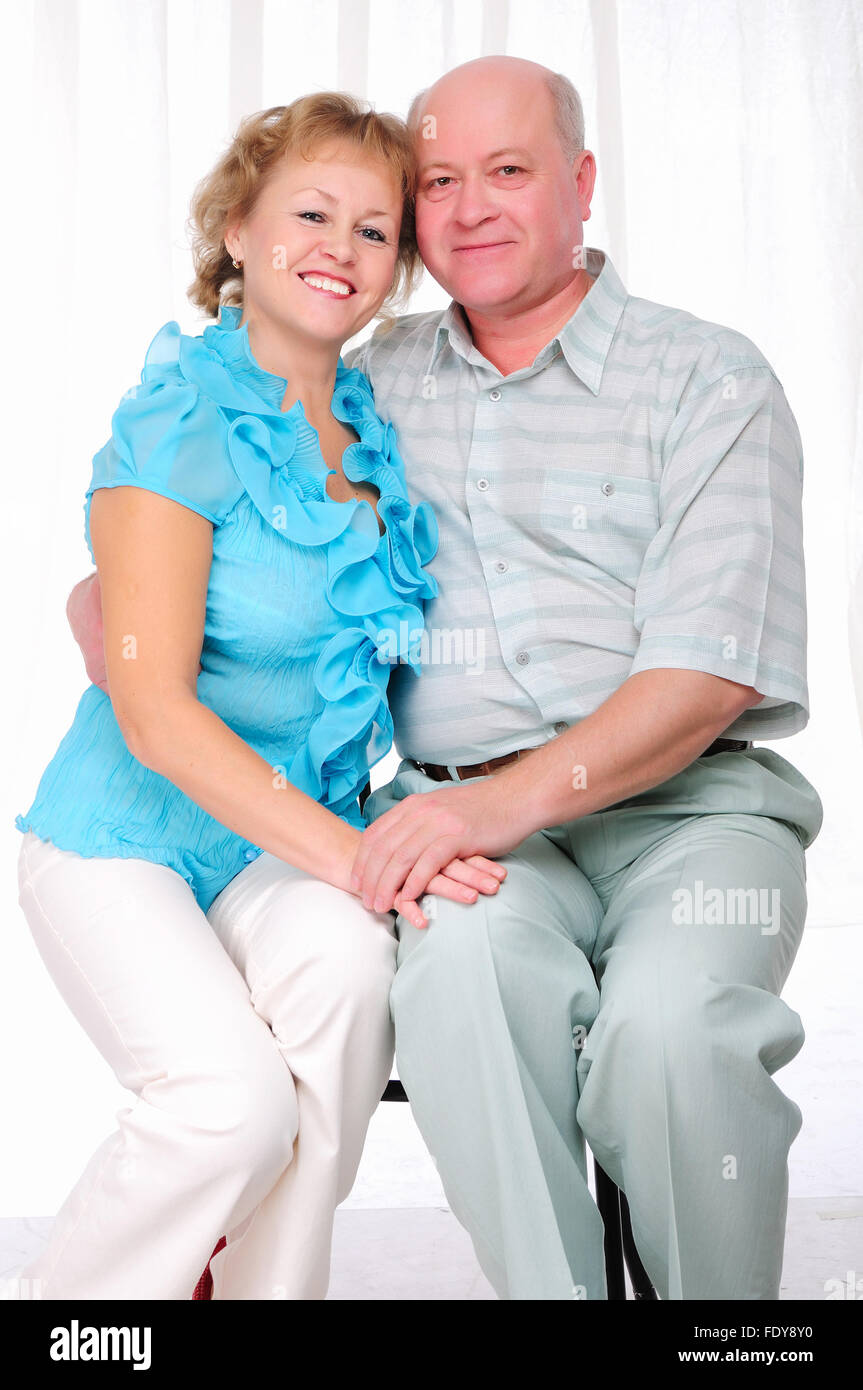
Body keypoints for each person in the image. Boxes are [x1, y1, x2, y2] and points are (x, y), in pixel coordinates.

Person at [68, 56, 824, 1301]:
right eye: (438, 182)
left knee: (668, 1039)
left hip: (685, 818)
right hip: (455, 824)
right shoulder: (371, 381)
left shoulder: (708, 380)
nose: (470, 208)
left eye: (509, 173)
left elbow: (703, 679)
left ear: (581, 187)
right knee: (461, 982)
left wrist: (475, 811)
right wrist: (108, 622)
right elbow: (185, 515)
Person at [14, 91, 505, 1302]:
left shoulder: (380, 427)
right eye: (309, 212)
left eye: (375, 230)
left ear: (397, 269)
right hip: (125, 834)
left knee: (350, 982)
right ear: (238, 226)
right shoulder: (180, 413)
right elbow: (154, 712)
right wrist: (363, 859)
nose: (339, 247)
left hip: (282, 841)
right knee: (229, 1106)